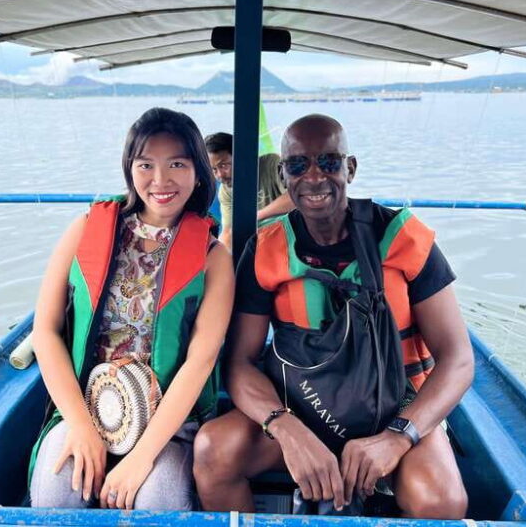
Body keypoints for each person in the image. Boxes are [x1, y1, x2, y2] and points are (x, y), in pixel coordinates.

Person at [194, 114, 473, 518]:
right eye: (297, 165)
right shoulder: (266, 249)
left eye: (328, 162)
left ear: (351, 168)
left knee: (441, 501)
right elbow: (239, 362)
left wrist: (398, 437)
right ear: (283, 174)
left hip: (396, 405)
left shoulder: (402, 238)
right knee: (212, 452)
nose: (313, 177)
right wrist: (286, 430)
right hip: (298, 404)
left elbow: (459, 360)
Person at [29, 108, 234, 511]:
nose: (161, 180)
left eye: (177, 163)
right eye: (146, 165)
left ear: (198, 171)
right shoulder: (87, 228)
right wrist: (80, 426)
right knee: (56, 499)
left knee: (156, 505)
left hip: (167, 427)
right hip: (83, 408)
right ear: (130, 169)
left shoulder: (214, 257)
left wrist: (140, 458)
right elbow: (45, 331)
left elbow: (200, 361)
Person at [205, 132, 296, 250]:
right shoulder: (226, 191)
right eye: (214, 170)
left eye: (224, 165)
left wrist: (255, 217)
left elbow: (295, 198)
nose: (220, 175)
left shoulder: (272, 164)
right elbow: (228, 232)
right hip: (266, 246)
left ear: (240, 157)